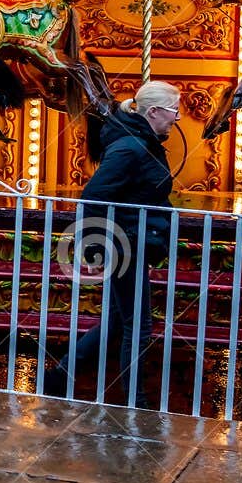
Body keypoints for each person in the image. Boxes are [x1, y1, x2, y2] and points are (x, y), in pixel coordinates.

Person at [44, 81, 180, 401]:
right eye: (174, 111)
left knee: (120, 321)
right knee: (139, 326)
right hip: (126, 244)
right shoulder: (130, 147)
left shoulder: (141, 142)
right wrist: (96, 242)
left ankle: (60, 376)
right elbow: (94, 195)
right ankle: (135, 398)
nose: (177, 118)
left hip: (131, 241)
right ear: (154, 112)